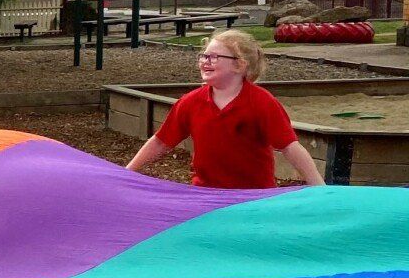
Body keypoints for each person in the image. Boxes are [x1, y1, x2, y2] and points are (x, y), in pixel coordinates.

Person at [127, 30, 323, 188]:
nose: (205, 61)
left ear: (239, 65)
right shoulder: (190, 102)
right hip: (206, 193)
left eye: (214, 57)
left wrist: (319, 188)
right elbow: (161, 141)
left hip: (253, 196)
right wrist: (127, 172)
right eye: (203, 56)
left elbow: (290, 147)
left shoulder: (262, 102)